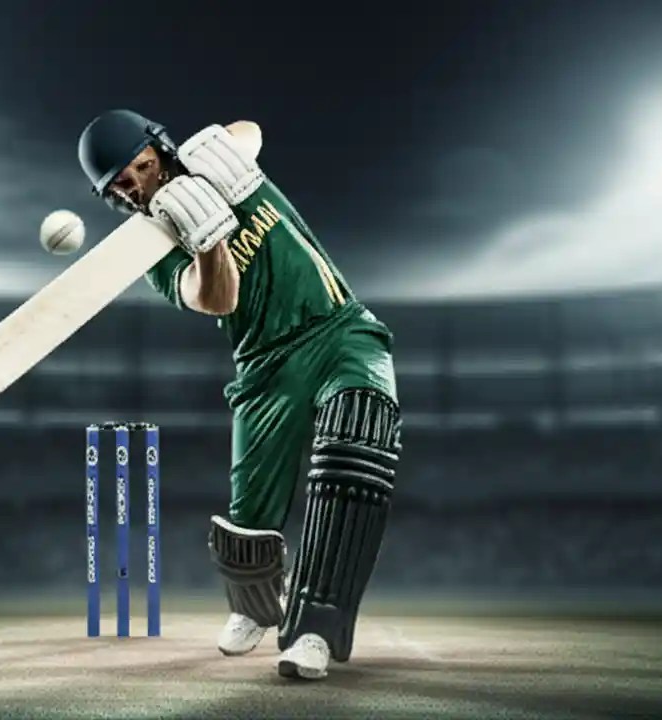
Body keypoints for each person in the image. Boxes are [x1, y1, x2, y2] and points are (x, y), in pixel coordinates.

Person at [78, 109, 401, 680]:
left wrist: (210, 175)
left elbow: (247, 132)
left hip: (338, 329)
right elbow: (218, 300)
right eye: (120, 189)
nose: (133, 192)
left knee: (358, 436)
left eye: (139, 171)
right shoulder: (154, 253)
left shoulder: (217, 165)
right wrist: (205, 237)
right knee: (248, 520)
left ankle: (314, 632)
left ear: (159, 148)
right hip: (263, 369)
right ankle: (255, 609)